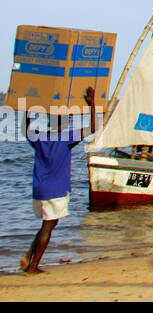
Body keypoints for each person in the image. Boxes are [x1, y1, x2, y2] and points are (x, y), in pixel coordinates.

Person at [22, 86, 95, 274]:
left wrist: (27, 108)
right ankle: (33, 267)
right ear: (66, 121)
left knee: (49, 223)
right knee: (48, 226)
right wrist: (92, 104)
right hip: (56, 191)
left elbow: (26, 129)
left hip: (39, 191)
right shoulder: (67, 138)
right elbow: (93, 128)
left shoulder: (40, 137)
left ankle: (29, 255)